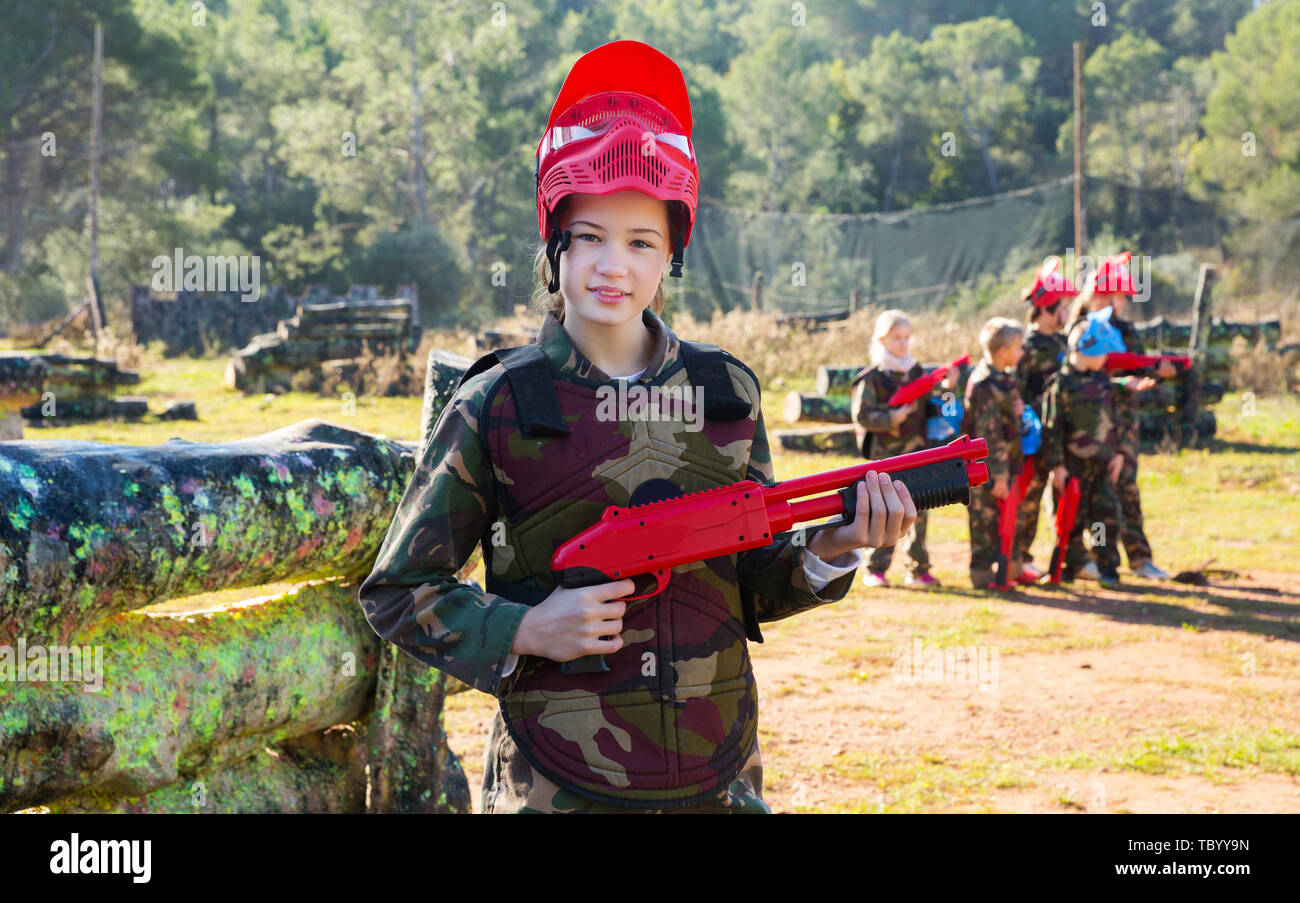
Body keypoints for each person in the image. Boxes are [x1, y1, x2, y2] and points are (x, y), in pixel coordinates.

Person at [357, 40, 917, 814]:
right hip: (553, 784)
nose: (611, 265)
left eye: (640, 242)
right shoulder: (500, 402)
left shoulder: (725, 393)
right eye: (589, 236)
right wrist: (527, 627)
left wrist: (833, 549)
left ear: (669, 257)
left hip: (714, 778)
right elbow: (397, 592)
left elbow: (748, 583)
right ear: (555, 245)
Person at [1083, 253, 1176, 581]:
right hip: (1084, 425)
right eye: (1118, 294)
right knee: (1086, 496)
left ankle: (1139, 558)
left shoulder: (1124, 329)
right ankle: (1088, 560)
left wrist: (1159, 373)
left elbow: (1140, 366)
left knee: (1126, 492)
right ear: (1102, 293)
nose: (1122, 302)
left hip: (1121, 425)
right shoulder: (1078, 328)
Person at [1040, 304, 1130, 589]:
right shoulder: (1061, 385)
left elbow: (1114, 421)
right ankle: (1070, 564)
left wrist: (1117, 455)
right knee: (1068, 520)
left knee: (1104, 518)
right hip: (1072, 467)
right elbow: (1051, 428)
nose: (1106, 359)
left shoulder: (1104, 383)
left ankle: (1107, 567)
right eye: (1102, 353)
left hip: (1103, 466)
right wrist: (1057, 466)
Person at [850, 310, 939, 588]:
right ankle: (875, 568)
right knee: (885, 512)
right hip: (886, 459)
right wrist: (891, 419)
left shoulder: (916, 371)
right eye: (896, 337)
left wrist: (947, 386)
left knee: (920, 509)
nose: (902, 343)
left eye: (906, 337)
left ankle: (918, 569)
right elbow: (861, 415)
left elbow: (933, 407)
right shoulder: (874, 377)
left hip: (917, 455)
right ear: (881, 339)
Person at [1013, 257, 1077, 583]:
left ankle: (1068, 558)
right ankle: (1019, 558)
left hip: (1063, 434)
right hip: (1034, 438)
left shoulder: (1065, 342)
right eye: (1063, 305)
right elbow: (1017, 394)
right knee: (1029, 499)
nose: (1068, 312)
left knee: (1062, 497)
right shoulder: (1026, 346)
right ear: (1048, 307)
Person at [962, 317, 1025, 589]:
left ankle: (1008, 570)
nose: (1022, 353)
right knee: (984, 523)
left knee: (1005, 520)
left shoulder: (1002, 379)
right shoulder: (987, 383)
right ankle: (983, 575)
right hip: (984, 469)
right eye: (1018, 347)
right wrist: (999, 475)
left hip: (1002, 464)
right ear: (1003, 352)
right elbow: (989, 435)